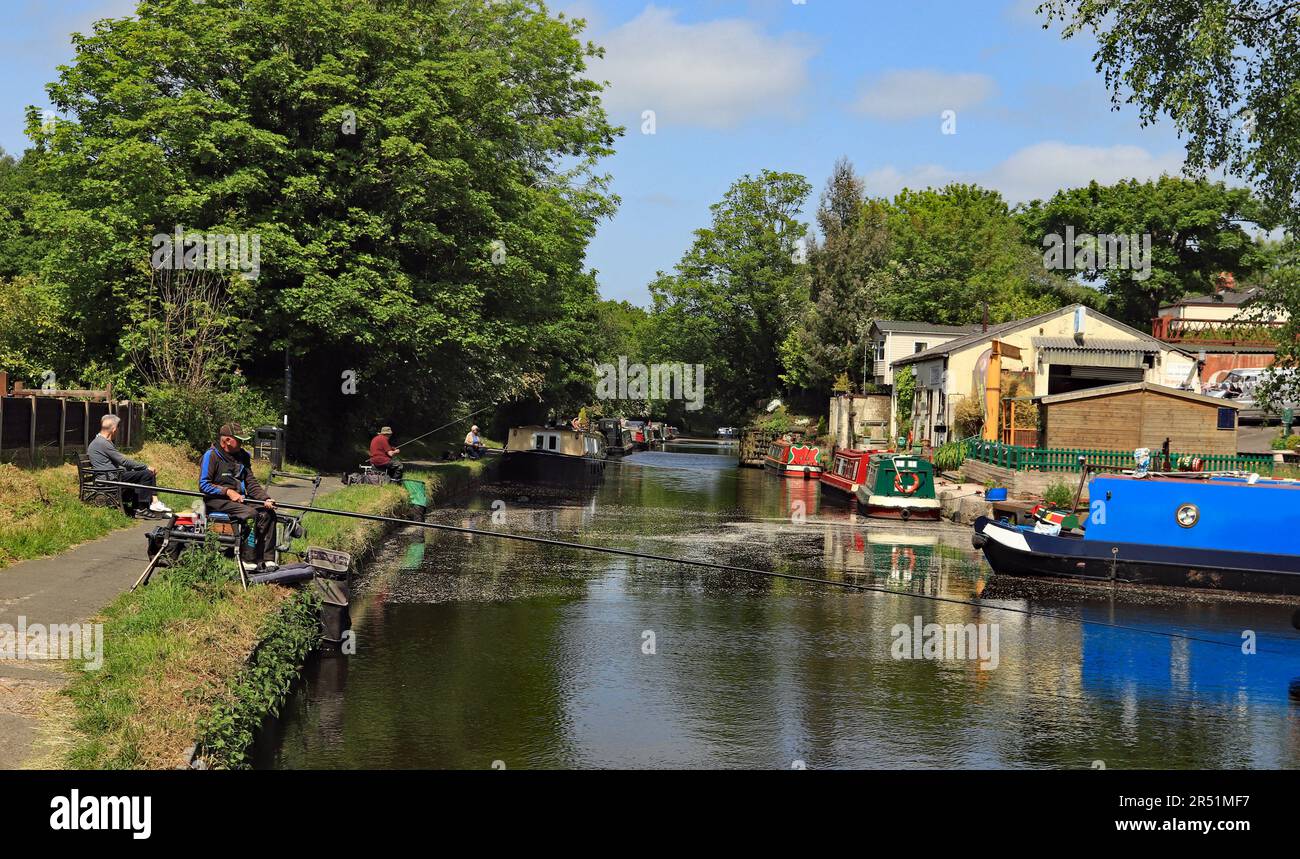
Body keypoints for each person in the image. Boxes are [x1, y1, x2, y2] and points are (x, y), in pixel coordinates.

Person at [200, 423, 278, 572]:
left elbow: (251, 483)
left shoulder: (243, 456)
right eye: (239, 439)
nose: (242, 443)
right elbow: (204, 485)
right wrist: (227, 492)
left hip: (240, 500)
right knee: (251, 514)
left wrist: (265, 499)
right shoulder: (211, 455)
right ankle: (247, 559)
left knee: (268, 513)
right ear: (227, 440)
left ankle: (267, 559)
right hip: (216, 500)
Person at [87, 414, 171, 516]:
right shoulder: (102, 443)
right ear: (114, 429)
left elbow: (119, 463)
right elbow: (124, 462)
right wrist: (144, 466)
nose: (118, 430)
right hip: (110, 478)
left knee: (144, 473)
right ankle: (143, 507)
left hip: (111, 475)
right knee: (147, 473)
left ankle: (151, 503)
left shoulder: (102, 442)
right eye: (118, 427)